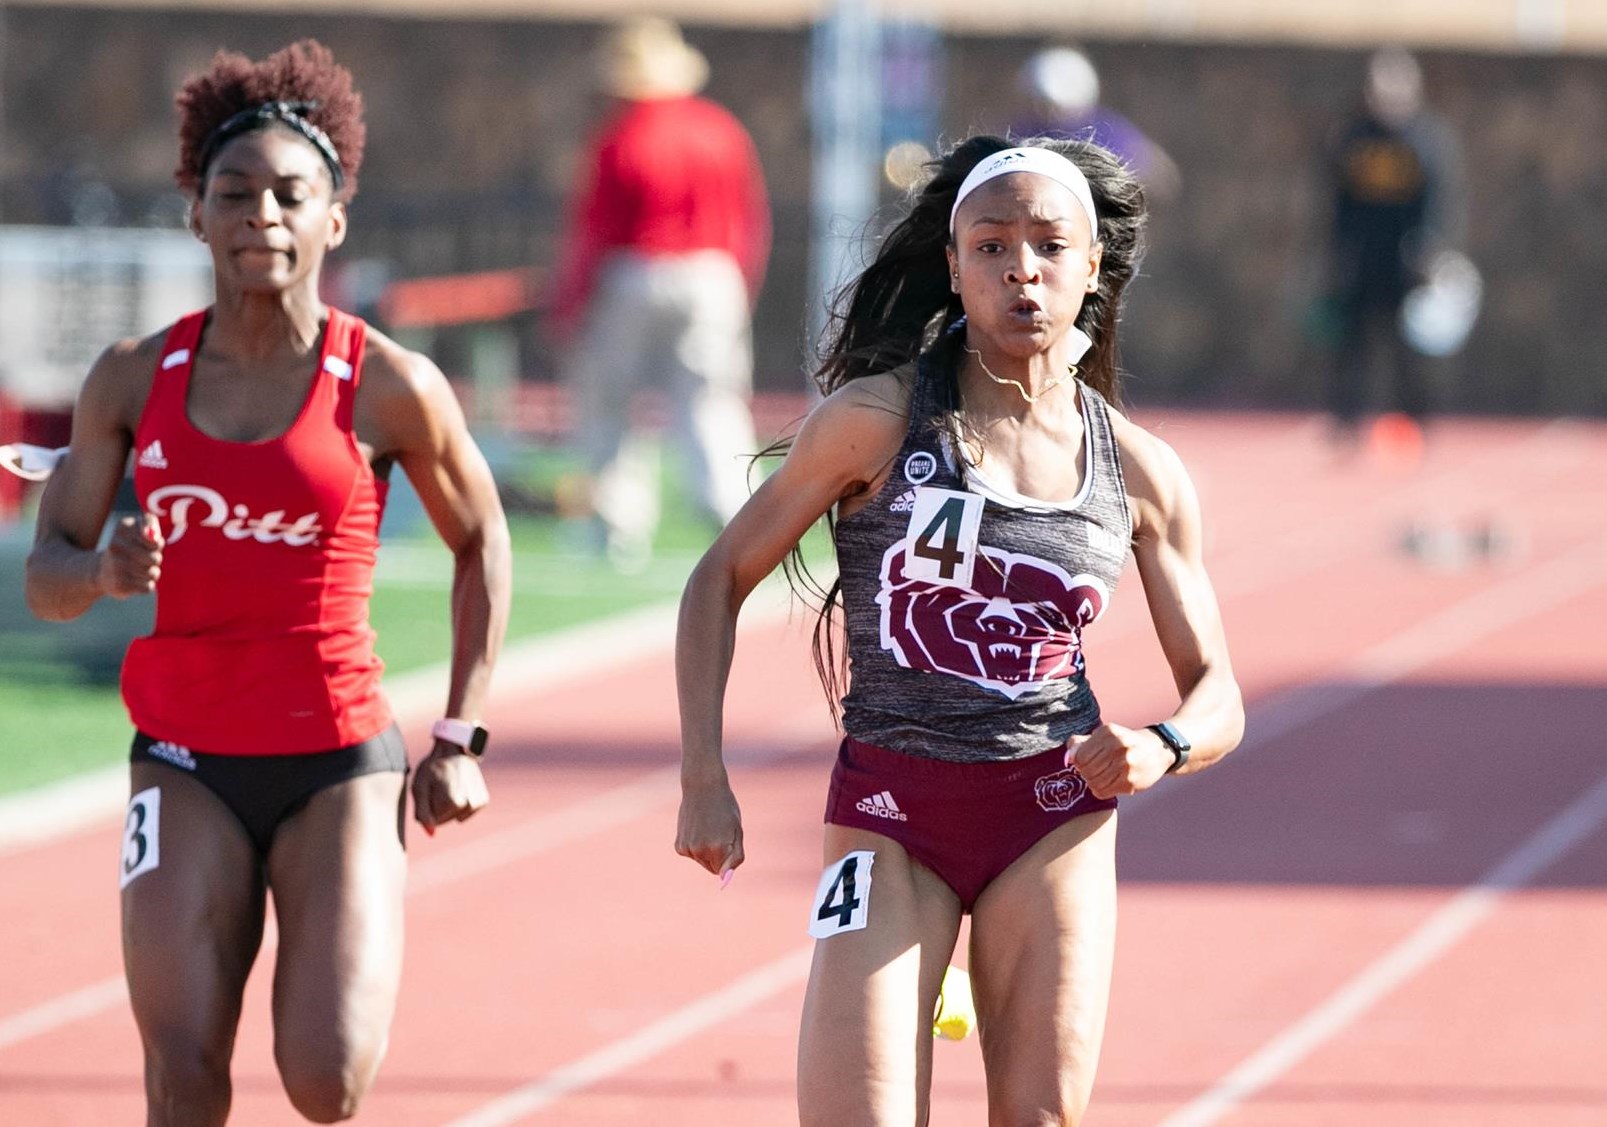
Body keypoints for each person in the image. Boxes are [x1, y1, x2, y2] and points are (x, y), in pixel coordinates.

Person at [673, 136, 1243, 1123]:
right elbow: (718, 576)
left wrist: (1164, 743)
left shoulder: (1140, 472)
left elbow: (1219, 690)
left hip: (1050, 809)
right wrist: (701, 777)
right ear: (951, 264)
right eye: (989, 245)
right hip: (891, 809)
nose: (1020, 266)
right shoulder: (875, 423)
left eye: (1047, 245)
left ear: (1090, 266)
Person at [24, 41, 511, 1124]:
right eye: (234, 194)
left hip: (336, 759)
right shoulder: (131, 377)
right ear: (196, 214)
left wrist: (460, 734)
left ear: (334, 217)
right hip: (185, 760)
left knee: (325, 1075)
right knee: (183, 1073)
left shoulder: (387, 383)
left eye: (292, 195)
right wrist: (101, 569)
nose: (262, 217)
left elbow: (483, 538)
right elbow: (44, 579)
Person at [549, 15, 771, 570]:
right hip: (711, 275)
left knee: (610, 404)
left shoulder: (619, 135)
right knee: (711, 400)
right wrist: (740, 285)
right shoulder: (721, 130)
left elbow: (592, 230)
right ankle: (736, 515)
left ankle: (618, 526)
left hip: (633, 273)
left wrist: (571, 302)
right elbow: (749, 221)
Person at [1321, 46, 1464, 450]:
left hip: (1407, 263)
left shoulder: (1426, 140)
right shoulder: (1353, 138)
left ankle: (1415, 423)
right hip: (1364, 257)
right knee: (1352, 345)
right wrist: (1337, 253)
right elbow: (1338, 201)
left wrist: (1431, 251)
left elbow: (1438, 201)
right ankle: (1346, 422)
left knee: (1411, 350)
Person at [1011, 45, 1179, 196]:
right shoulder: (1022, 133)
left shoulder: (1106, 131)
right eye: (1039, 103)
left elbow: (1161, 177)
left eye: (1053, 106)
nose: (1047, 113)